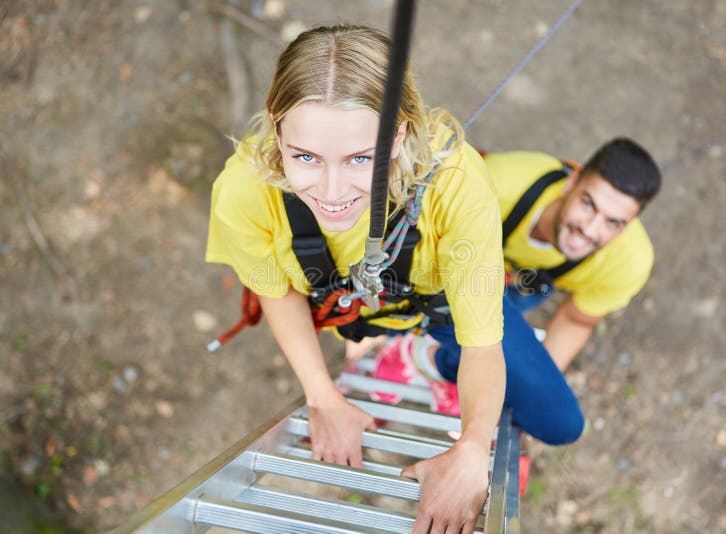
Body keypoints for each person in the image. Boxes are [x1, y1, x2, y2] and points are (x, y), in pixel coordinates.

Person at [205, 24, 509, 533]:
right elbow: (277, 295)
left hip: (431, 309)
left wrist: (474, 447)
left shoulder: (456, 187)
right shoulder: (243, 191)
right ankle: (378, 349)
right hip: (345, 311)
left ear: (400, 134)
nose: (331, 191)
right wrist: (323, 397)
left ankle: (409, 352)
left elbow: (482, 345)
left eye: (361, 158)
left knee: (557, 419)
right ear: (277, 130)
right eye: (304, 156)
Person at [487, 139, 662, 371]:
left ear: (629, 224)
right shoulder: (495, 186)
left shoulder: (627, 264)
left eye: (612, 222)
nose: (589, 230)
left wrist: (535, 382)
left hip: (525, 282)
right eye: (588, 204)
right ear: (571, 182)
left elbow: (575, 319)